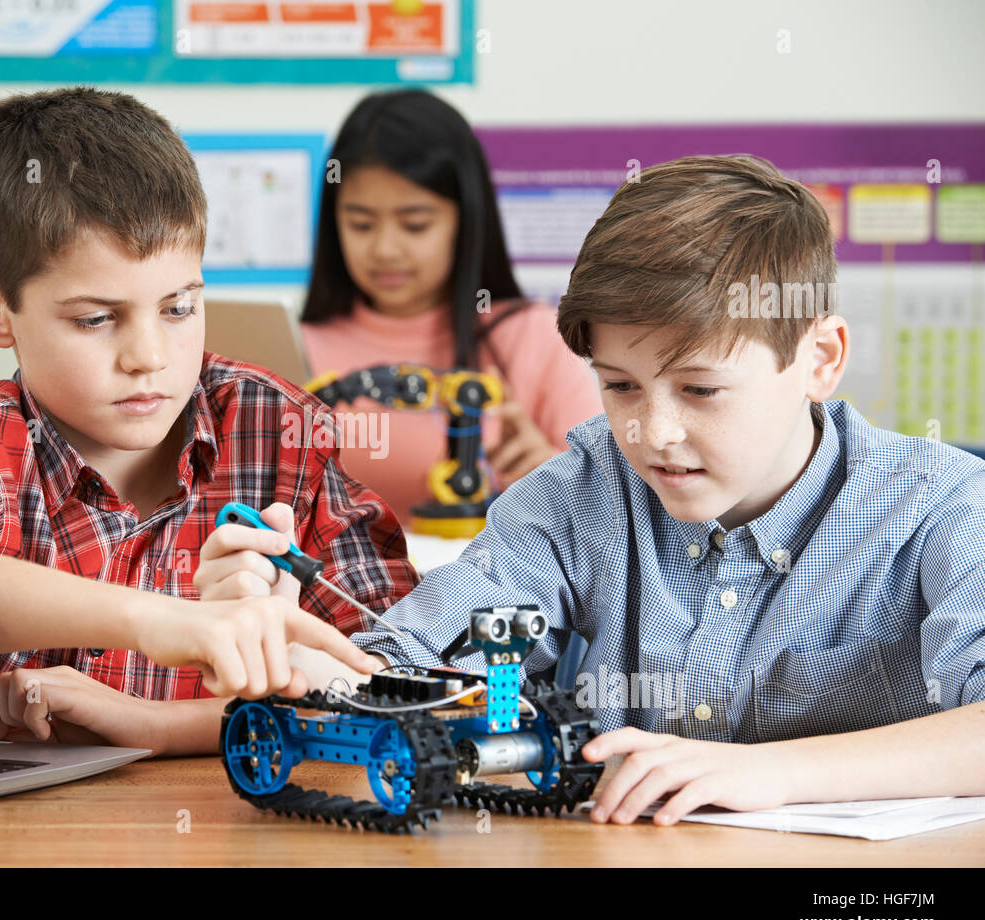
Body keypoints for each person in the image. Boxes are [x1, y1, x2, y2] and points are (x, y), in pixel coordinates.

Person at [255, 154, 985, 822]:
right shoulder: (582, 491)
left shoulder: (941, 505)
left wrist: (772, 771)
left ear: (820, 358)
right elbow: (423, 658)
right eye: (620, 386)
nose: (652, 432)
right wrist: (317, 667)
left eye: (700, 388)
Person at [0, 87, 419, 757]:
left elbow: (399, 675)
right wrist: (158, 621)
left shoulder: (277, 430)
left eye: (177, 308)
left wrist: (161, 722)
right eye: (96, 319)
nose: (149, 357)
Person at [299, 89, 602, 520]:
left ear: (466, 220)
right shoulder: (294, 346)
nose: (385, 249)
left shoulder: (528, 336)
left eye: (415, 224)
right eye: (360, 223)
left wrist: (554, 474)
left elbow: (612, 511)